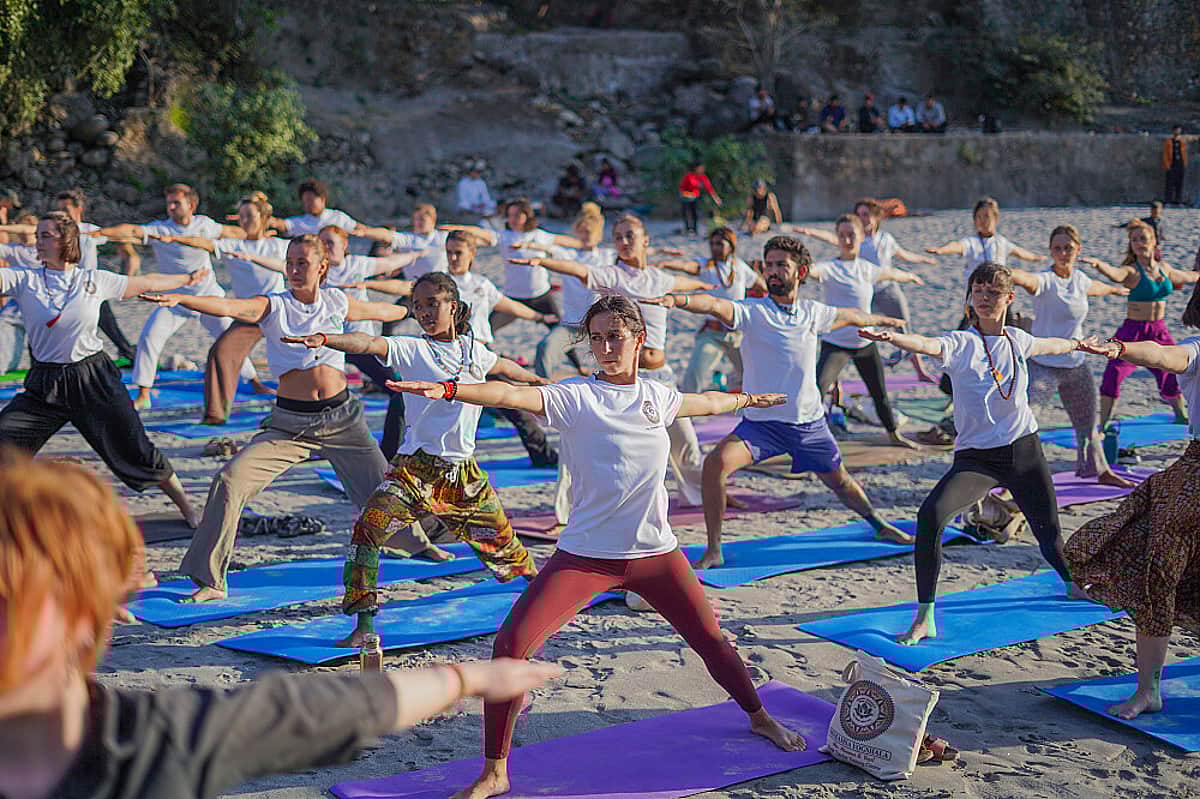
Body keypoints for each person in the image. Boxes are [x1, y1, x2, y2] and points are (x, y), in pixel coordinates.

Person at [383, 294, 806, 799]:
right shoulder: (575, 396)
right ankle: (494, 771)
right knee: (511, 647)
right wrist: (451, 390)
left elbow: (705, 402)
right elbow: (510, 396)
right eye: (597, 339)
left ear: (638, 339)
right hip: (584, 558)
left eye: (616, 337)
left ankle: (758, 716)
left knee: (711, 640)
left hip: (657, 555)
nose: (605, 348)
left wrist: (745, 401)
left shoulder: (658, 396)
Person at [0, 446, 562, 799]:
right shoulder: (157, 739)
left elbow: (316, 712)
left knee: (505, 548)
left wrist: (461, 681)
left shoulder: (155, 738)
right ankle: (366, 615)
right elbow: (312, 714)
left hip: (438, 464)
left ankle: (504, 570)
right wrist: (463, 681)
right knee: (368, 535)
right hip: (401, 465)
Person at [137, 234, 411, 601]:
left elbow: (383, 312)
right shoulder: (273, 306)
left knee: (384, 489)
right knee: (229, 481)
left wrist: (413, 309)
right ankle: (211, 579)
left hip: (343, 420)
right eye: (290, 262)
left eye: (303, 263)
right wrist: (184, 298)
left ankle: (420, 546)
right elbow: (228, 306)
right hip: (290, 424)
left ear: (322, 268)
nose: (295, 270)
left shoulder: (336, 301)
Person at [286, 272, 543, 645]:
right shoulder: (413, 348)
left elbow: (503, 367)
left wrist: (538, 382)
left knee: (505, 546)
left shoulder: (475, 350)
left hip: (463, 477)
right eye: (418, 305)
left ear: (453, 307)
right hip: (413, 471)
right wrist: (326, 339)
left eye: (432, 303)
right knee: (366, 533)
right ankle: (363, 626)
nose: (423, 312)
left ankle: (543, 596)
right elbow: (368, 342)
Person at [859, 263, 1093, 646]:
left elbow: (1052, 344)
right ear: (970, 297)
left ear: (1009, 299)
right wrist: (895, 339)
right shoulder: (960, 343)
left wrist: (1080, 345)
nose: (984, 298)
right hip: (977, 460)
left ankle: (1070, 584)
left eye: (993, 292)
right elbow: (928, 344)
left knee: (1048, 532)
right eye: (978, 291)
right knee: (930, 516)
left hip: (1024, 451)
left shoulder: (1019, 339)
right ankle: (925, 617)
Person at [651, 235, 913, 570]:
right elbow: (715, 305)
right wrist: (680, 299)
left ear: (801, 272)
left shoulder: (812, 313)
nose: (773, 272)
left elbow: (850, 316)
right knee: (715, 464)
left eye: (781, 266)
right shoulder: (753, 311)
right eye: (769, 265)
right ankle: (714, 549)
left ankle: (879, 525)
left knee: (842, 483)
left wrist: (884, 321)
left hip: (808, 425)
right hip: (761, 427)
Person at [0, 212, 203, 526]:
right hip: (45, 382)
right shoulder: (24, 279)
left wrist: (187, 281)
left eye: (44, 236)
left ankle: (187, 508)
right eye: (37, 235)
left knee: (135, 449)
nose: (36, 242)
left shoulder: (93, 280)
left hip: (92, 378)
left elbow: (146, 282)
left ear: (65, 241)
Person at [509, 212, 714, 507]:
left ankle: (701, 499)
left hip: (660, 376)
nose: (624, 242)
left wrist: (708, 288)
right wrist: (542, 262)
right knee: (578, 445)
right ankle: (566, 512)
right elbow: (578, 269)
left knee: (685, 445)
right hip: (617, 378)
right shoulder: (612, 275)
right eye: (618, 237)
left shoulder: (658, 277)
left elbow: (686, 283)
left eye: (630, 236)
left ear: (645, 240)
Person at [1066, 313, 1200, 720]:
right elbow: (1162, 355)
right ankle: (1148, 691)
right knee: (1155, 579)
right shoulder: (1197, 351)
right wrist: (1122, 349)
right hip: (1193, 482)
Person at [348, 231, 563, 468]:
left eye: (458, 253)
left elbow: (510, 305)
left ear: (471, 254)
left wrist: (540, 317)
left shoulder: (482, 284)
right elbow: (401, 287)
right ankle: (388, 461)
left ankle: (543, 455)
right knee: (401, 402)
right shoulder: (437, 285)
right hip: (439, 354)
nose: (452, 257)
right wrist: (368, 283)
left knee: (514, 408)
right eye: (448, 252)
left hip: (477, 356)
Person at [95, 183, 259, 409]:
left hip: (206, 297)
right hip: (174, 300)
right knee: (150, 338)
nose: (171, 207)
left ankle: (255, 381)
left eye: (176, 203)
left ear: (191, 205)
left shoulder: (204, 225)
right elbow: (132, 231)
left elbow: (233, 232)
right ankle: (144, 393)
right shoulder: (160, 229)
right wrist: (100, 233)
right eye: (169, 203)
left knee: (229, 339)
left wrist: (257, 233)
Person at [1000, 225, 1135, 487]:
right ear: (1051, 251)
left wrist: (1115, 290)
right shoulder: (1045, 281)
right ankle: (1011, 479)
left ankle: (1099, 470)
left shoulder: (1080, 280)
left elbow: (1095, 287)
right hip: (1043, 365)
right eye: (1057, 248)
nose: (1063, 253)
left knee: (1088, 423)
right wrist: (1005, 273)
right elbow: (1025, 278)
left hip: (1076, 362)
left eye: (1068, 248)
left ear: (1078, 249)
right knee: (1024, 422)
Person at [146, 191, 286, 423]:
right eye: (241, 217)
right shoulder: (232, 245)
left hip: (278, 311)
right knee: (221, 352)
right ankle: (215, 415)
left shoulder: (278, 246)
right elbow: (205, 243)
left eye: (250, 216)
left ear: (263, 218)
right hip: (248, 314)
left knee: (296, 357)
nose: (245, 221)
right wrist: (177, 238)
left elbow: (291, 264)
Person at [805, 214, 924, 448]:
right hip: (836, 343)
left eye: (851, 235)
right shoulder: (830, 268)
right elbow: (810, 270)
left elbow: (891, 274)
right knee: (818, 388)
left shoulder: (867, 269)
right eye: (842, 236)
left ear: (860, 238)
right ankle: (807, 439)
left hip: (865, 343)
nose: (847, 240)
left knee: (879, 393)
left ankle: (893, 434)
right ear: (836, 238)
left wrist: (910, 275)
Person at [793, 198, 939, 381]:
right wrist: (810, 232)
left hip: (885, 289)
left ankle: (920, 371)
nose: (863, 218)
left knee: (903, 326)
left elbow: (900, 260)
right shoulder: (854, 239)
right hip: (863, 291)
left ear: (876, 217)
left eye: (866, 214)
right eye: (860, 215)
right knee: (856, 326)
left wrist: (920, 264)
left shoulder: (884, 239)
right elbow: (832, 238)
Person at [1082, 218, 1199, 429]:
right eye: (1134, 240)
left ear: (1154, 241)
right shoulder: (1132, 271)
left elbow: (1188, 276)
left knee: (1172, 372)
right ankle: (1104, 424)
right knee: (1113, 374)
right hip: (1133, 330)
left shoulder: (1164, 268)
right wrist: (1100, 265)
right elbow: (1117, 275)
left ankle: (1181, 415)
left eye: (1143, 238)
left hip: (1159, 329)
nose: (1138, 243)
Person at [658, 226, 765, 393]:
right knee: (694, 376)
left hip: (738, 334)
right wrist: (667, 264)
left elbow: (761, 285)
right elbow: (688, 266)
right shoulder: (706, 265)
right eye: (713, 244)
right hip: (712, 333)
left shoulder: (741, 268)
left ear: (731, 246)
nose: (715, 247)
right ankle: (686, 415)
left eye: (720, 244)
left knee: (754, 376)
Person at [532, 202, 606, 379]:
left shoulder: (607, 256)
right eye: (581, 231)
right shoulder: (568, 255)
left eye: (589, 232)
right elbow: (547, 248)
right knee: (545, 347)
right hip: (573, 324)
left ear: (598, 235)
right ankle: (544, 391)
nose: (585, 236)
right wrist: (528, 246)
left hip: (602, 322)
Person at [491, 198, 581, 334]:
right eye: (509, 215)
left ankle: (573, 357)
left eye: (516, 215)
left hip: (540, 295)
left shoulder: (539, 235)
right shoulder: (504, 236)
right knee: (485, 330)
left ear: (527, 215)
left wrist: (587, 243)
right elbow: (484, 235)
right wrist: (461, 229)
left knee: (560, 335)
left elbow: (569, 241)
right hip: (513, 297)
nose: (512, 219)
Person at [269, 178, 369, 237]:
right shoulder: (301, 222)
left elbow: (362, 229)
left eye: (310, 201)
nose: (307, 205)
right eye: (305, 202)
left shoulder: (338, 217)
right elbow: (282, 224)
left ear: (322, 199)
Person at [678, 162, 721, 236]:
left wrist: (716, 198)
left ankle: (694, 229)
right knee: (686, 213)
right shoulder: (688, 176)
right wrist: (684, 194)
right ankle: (687, 229)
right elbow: (681, 187)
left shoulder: (702, 177)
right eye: (700, 168)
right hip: (685, 197)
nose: (701, 169)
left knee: (694, 213)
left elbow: (709, 188)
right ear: (695, 168)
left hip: (694, 197)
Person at [1162, 125, 1187, 206]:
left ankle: (1178, 200)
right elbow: (1165, 154)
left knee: (1179, 184)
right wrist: (1167, 165)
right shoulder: (1169, 141)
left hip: (1180, 164)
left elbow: (1184, 153)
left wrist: (1184, 163)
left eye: (1179, 131)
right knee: (1169, 184)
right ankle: (1168, 200)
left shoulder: (1182, 141)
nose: (1177, 132)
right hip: (1172, 164)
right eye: (1176, 130)